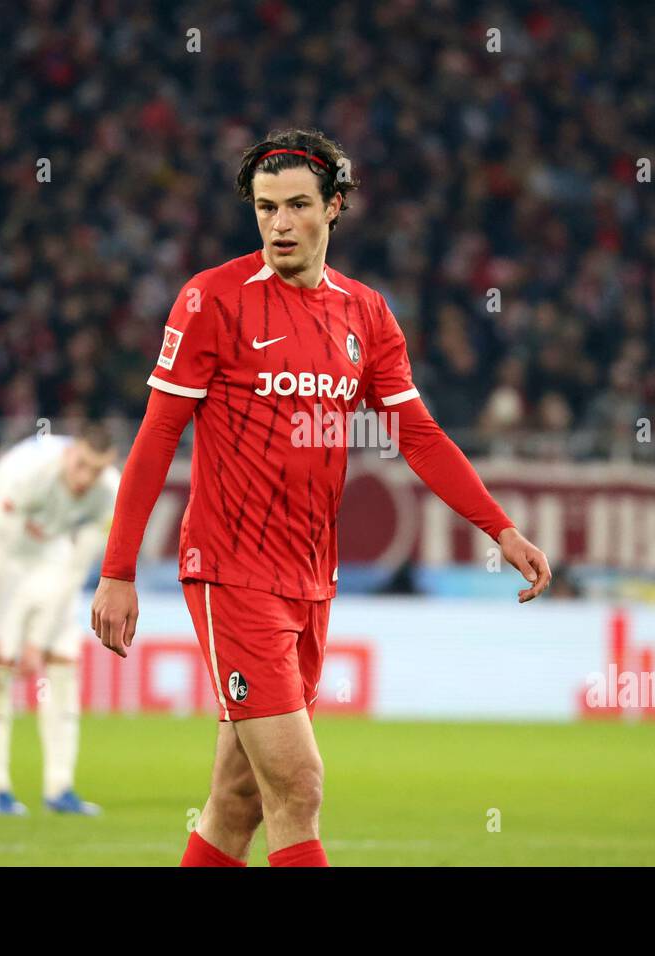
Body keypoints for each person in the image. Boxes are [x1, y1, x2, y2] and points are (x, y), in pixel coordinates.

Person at [90, 129, 552, 867]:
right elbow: (155, 440)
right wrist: (118, 570)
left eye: (298, 205)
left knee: (237, 800)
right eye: (265, 207)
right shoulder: (211, 299)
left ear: (334, 208)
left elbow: (420, 436)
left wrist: (500, 528)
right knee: (299, 786)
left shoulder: (366, 315)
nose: (279, 223)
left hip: (311, 580)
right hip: (231, 573)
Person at [0, 423, 118, 816]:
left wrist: (39, 641)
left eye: (96, 470)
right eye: (81, 465)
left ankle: (59, 788)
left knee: (64, 660)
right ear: (71, 452)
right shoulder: (27, 474)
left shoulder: (109, 494)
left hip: (49, 549)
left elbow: (75, 571)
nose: (85, 479)